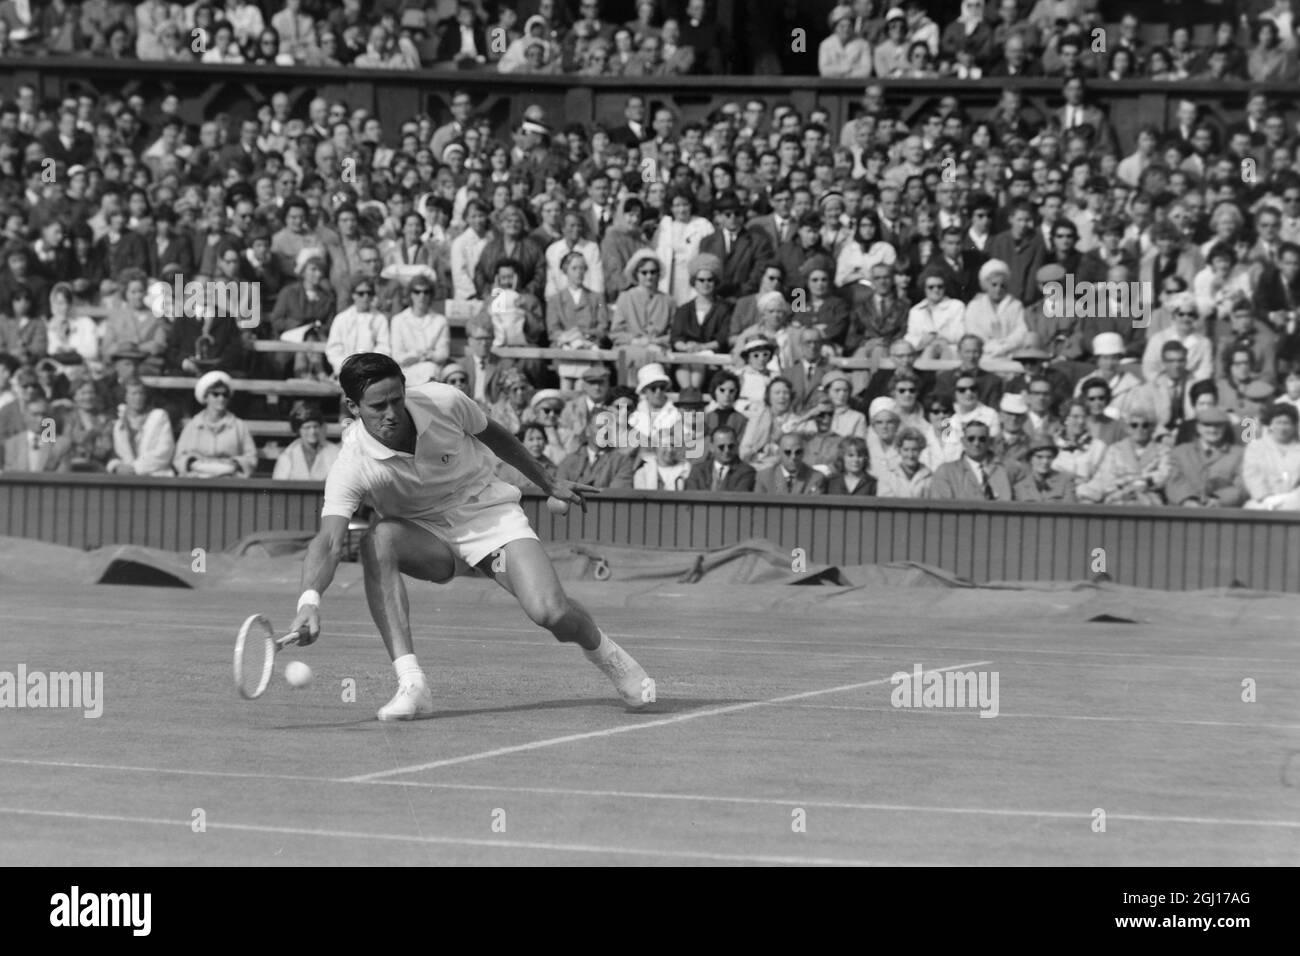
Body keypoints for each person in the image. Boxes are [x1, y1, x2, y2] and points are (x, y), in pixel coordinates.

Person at [289, 355, 655, 721]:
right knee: (377, 540)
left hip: (488, 515)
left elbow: (493, 434)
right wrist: (309, 601)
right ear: (353, 407)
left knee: (551, 612)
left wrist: (548, 481)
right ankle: (412, 683)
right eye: (378, 406)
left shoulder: (444, 401)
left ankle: (609, 656)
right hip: (425, 537)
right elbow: (329, 541)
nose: (391, 413)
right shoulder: (352, 463)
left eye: (396, 400)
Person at [173, 370, 258, 478]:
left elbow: (251, 457)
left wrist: (235, 464)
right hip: (197, 478)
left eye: (225, 394)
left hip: (229, 479)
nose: (221, 399)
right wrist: (191, 464)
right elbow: (179, 457)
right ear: (205, 397)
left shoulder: (239, 426)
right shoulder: (192, 426)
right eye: (215, 394)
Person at [1164, 406, 1246, 507]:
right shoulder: (1180, 452)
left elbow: (1241, 486)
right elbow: (1174, 481)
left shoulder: (1238, 454)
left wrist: (1218, 499)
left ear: (1225, 427)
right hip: (1184, 513)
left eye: (1218, 425)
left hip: (1222, 513)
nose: (1212, 430)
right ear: (1198, 427)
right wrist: (1188, 500)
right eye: (1207, 425)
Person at [927, 420, 1013, 500]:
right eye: (971, 439)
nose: (976, 443)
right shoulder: (945, 471)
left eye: (982, 439)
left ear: (989, 442)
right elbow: (941, 508)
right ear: (963, 441)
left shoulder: (1008, 469)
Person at [106, 379, 175, 476]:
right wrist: (117, 467)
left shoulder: (159, 416)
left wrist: (135, 468)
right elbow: (114, 455)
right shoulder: (118, 424)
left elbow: (165, 450)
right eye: (134, 394)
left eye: (141, 393)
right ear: (125, 397)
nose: (138, 397)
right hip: (127, 480)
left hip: (157, 477)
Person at [1243, 402, 1300, 510]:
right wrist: (1265, 497)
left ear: (1294, 426)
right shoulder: (1256, 447)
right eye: (1278, 422)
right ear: (1270, 425)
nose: (1282, 428)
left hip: (1294, 502)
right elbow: (1252, 475)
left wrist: (1288, 499)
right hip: (1263, 502)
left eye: (1286, 423)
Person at [272, 400, 341, 481]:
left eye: (315, 427)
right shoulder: (288, 456)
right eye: (307, 427)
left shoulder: (334, 452)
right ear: (298, 430)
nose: (312, 432)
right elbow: (279, 486)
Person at [684, 424, 755, 491]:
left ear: (737, 445)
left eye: (731, 446)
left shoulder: (746, 471)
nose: (727, 450)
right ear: (711, 447)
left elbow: (738, 499)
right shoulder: (698, 470)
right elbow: (691, 497)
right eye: (721, 447)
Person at [755, 432, 825, 494]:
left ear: (803, 453)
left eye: (798, 452)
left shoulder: (815, 477)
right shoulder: (765, 477)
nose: (793, 457)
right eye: (788, 452)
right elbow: (758, 507)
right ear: (779, 452)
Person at [876, 426, 934, 497]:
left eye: (914, 450)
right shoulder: (888, 475)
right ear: (899, 450)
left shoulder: (929, 476)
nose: (910, 455)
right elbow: (885, 503)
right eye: (906, 450)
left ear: (920, 450)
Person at [1012, 440, 1076, 502]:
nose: (1045, 461)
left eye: (1049, 457)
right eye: (1039, 457)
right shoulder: (1020, 487)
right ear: (1030, 459)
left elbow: (1070, 509)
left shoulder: (1065, 481)